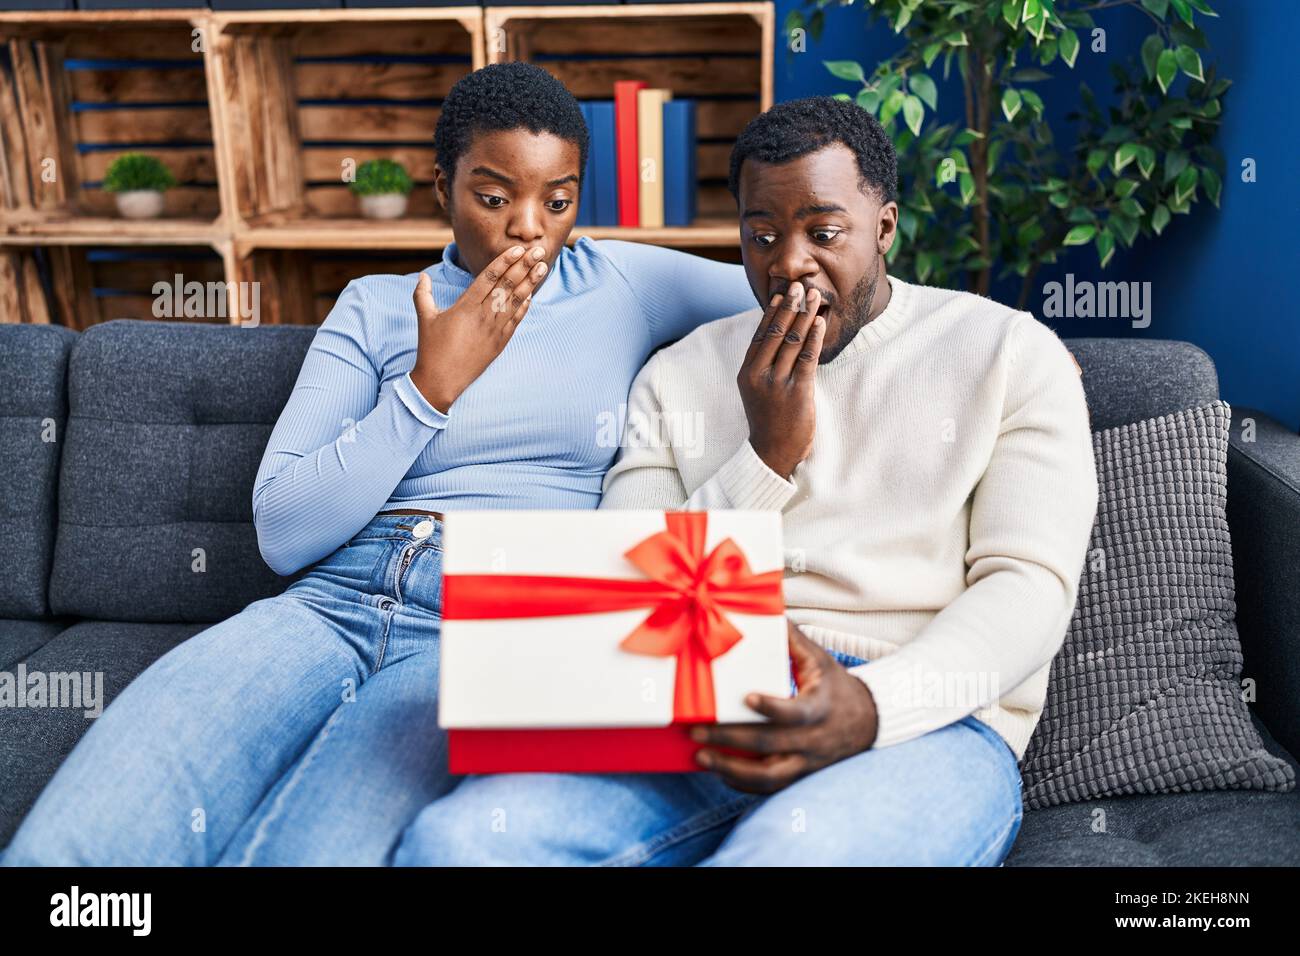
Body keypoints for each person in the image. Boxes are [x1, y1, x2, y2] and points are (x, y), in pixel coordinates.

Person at [0, 62, 755, 867]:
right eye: (494, 197)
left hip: (484, 618)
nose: (529, 228)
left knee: (312, 851)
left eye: (558, 200)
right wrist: (430, 390)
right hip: (329, 601)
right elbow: (284, 530)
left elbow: (798, 284)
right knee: (85, 835)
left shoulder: (621, 283)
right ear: (442, 188)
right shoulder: (376, 304)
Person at [392, 96, 1100, 866]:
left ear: (885, 228)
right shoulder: (678, 375)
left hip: (925, 721)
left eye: (823, 233)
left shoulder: (1006, 353)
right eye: (762, 235)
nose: (788, 263)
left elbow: (1028, 587)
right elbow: (633, 586)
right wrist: (764, 458)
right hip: (701, 706)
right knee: (457, 844)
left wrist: (868, 705)